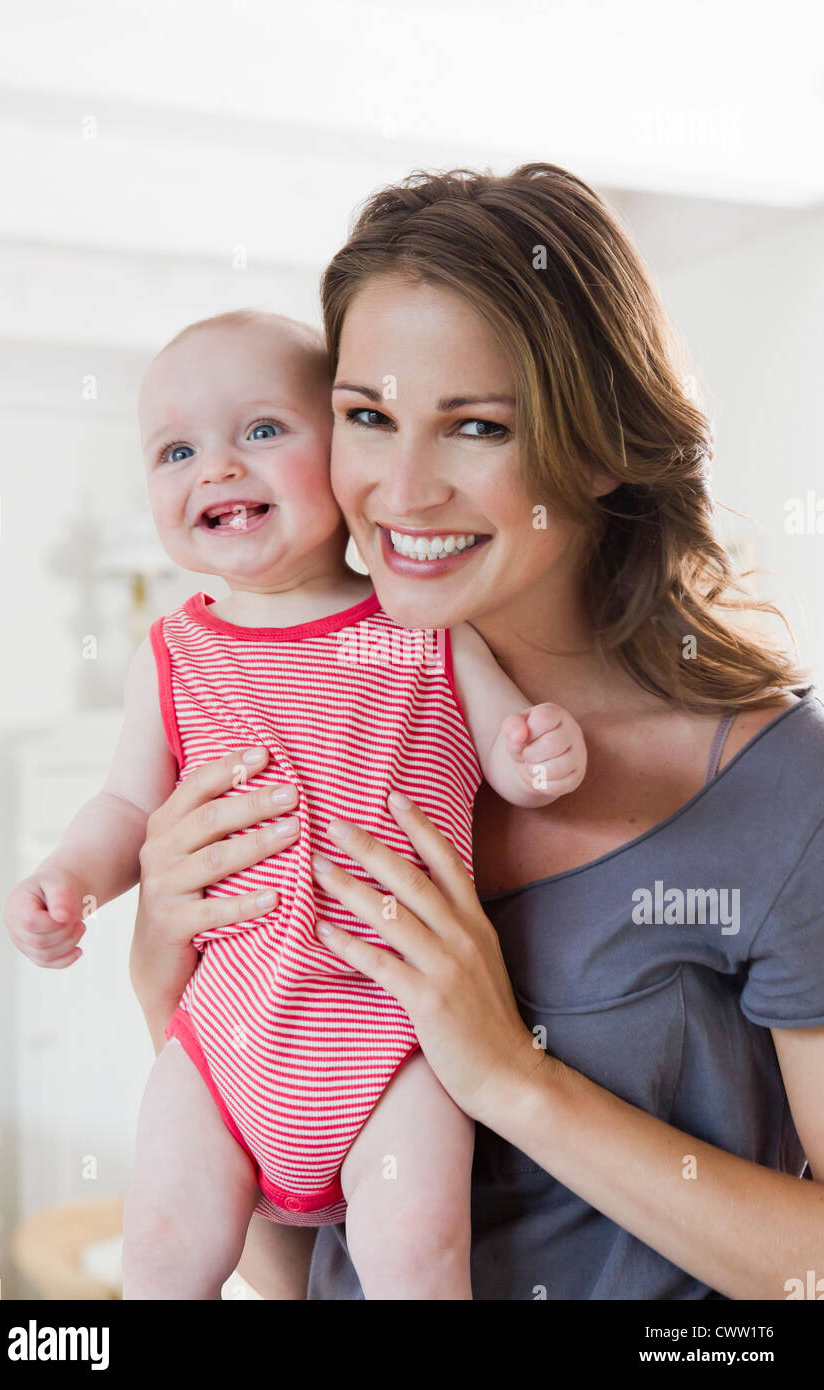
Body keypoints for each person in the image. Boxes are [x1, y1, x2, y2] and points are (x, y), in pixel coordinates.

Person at [131, 163, 824, 1301]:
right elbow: (298, 1261)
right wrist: (166, 975)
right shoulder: (276, 744)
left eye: (475, 428)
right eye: (366, 418)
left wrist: (508, 1075)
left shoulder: (779, 795)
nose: (400, 491)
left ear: (598, 450)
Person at [4, 306, 586, 1300]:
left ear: (343, 452)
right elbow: (123, 804)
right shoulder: (176, 650)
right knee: (160, 1246)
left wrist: (537, 753)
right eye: (175, 450)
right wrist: (70, 879)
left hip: (396, 1036)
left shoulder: (422, 621)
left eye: (261, 431)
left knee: (416, 1253)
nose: (218, 468)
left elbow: (506, 752)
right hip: (224, 1042)